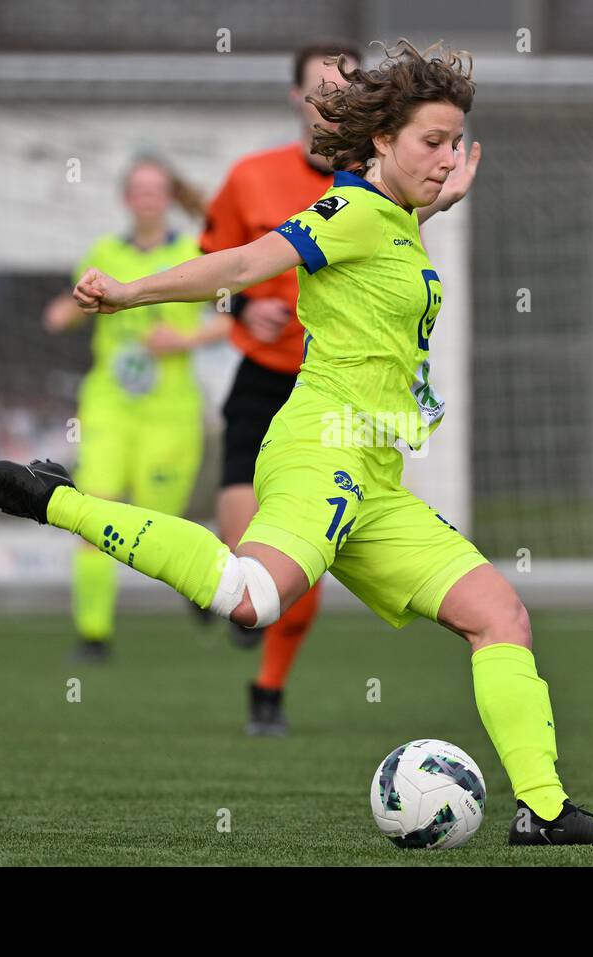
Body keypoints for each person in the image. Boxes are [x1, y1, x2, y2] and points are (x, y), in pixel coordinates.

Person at [0, 40, 593, 846]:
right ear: (383, 141)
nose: (449, 158)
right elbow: (245, 260)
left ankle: (544, 810)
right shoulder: (348, 211)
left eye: (457, 142)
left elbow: (387, 233)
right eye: (432, 142)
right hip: (320, 451)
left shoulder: (392, 216)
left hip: (374, 477)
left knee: (500, 615)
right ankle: (51, 497)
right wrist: (131, 293)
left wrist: (433, 202)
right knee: (250, 596)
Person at [200, 40, 360, 735]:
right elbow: (211, 275)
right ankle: (220, 573)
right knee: (245, 572)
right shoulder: (250, 178)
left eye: (349, 89)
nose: (334, 101)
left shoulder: (375, 185)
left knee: (302, 565)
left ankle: (267, 693)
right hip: (263, 384)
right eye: (321, 88)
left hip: (334, 396)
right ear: (296, 98)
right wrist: (241, 305)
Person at [42, 156, 230, 661]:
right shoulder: (105, 251)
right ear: (127, 199)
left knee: (155, 522)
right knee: (94, 509)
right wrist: (67, 310)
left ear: (169, 198)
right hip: (108, 407)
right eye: (139, 190)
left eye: (156, 190)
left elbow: (235, 320)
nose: (147, 199)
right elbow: (77, 303)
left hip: (169, 414)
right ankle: (92, 636)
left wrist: (186, 338)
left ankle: (201, 584)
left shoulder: (196, 252)